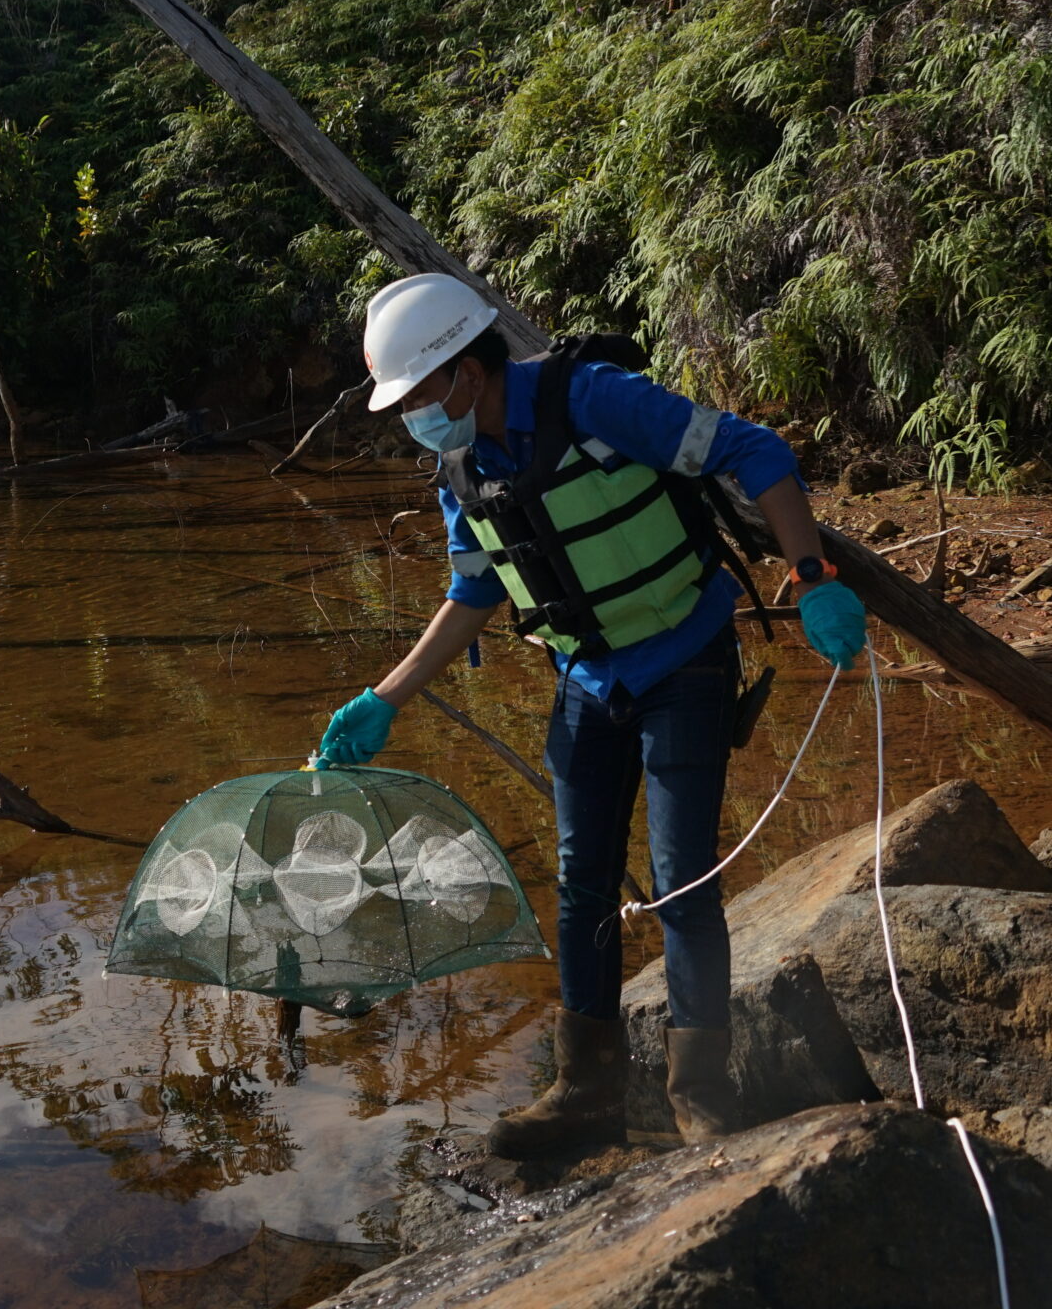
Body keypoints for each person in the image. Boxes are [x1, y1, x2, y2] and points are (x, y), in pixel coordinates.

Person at [311, 273, 865, 1157]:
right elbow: (475, 588)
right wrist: (385, 698)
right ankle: (586, 1092)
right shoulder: (460, 465)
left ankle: (703, 1101)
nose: (414, 413)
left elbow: (753, 451)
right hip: (587, 677)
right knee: (580, 889)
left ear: (464, 369)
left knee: (682, 882)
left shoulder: (593, 399)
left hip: (684, 654)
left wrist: (810, 575)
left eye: (417, 394)